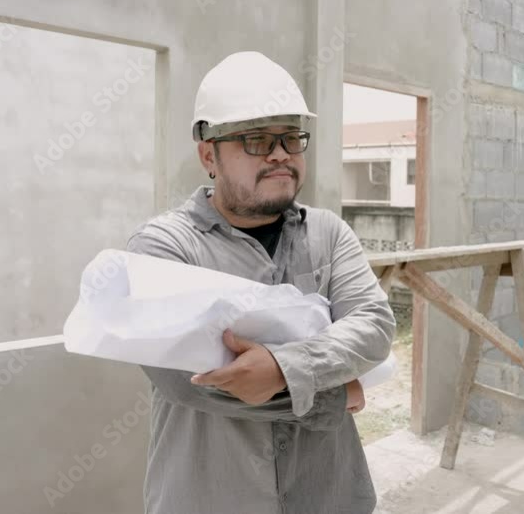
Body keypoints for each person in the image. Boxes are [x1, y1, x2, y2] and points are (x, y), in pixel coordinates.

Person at [126, 51, 396, 514]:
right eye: (255, 139)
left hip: (329, 496)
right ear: (209, 154)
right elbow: (189, 383)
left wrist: (281, 369)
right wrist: (333, 390)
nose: (279, 154)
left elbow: (373, 327)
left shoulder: (328, 233)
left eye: (291, 138)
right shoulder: (164, 248)